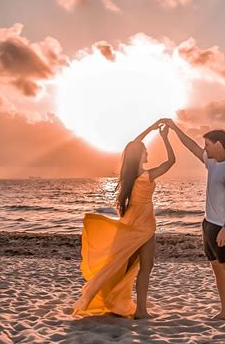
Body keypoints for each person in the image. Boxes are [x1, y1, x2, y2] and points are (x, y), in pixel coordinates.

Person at [72, 120, 175, 319]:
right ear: (140, 155)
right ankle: (141, 311)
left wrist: (151, 128)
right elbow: (171, 162)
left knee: (123, 267)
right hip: (144, 226)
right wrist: (164, 138)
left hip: (128, 225)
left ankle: (119, 304)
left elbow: (133, 146)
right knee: (145, 267)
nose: (147, 153)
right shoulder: (147, 176)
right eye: (145, 151)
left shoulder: (127, 174)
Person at [160, 119, 225, 328]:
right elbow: (192, 146)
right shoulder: (211, 162)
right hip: (208, 224)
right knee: (217, 268)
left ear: (219, 145)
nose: (204, 148)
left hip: (223, 228)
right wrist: (175, 128)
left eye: (208, 145)